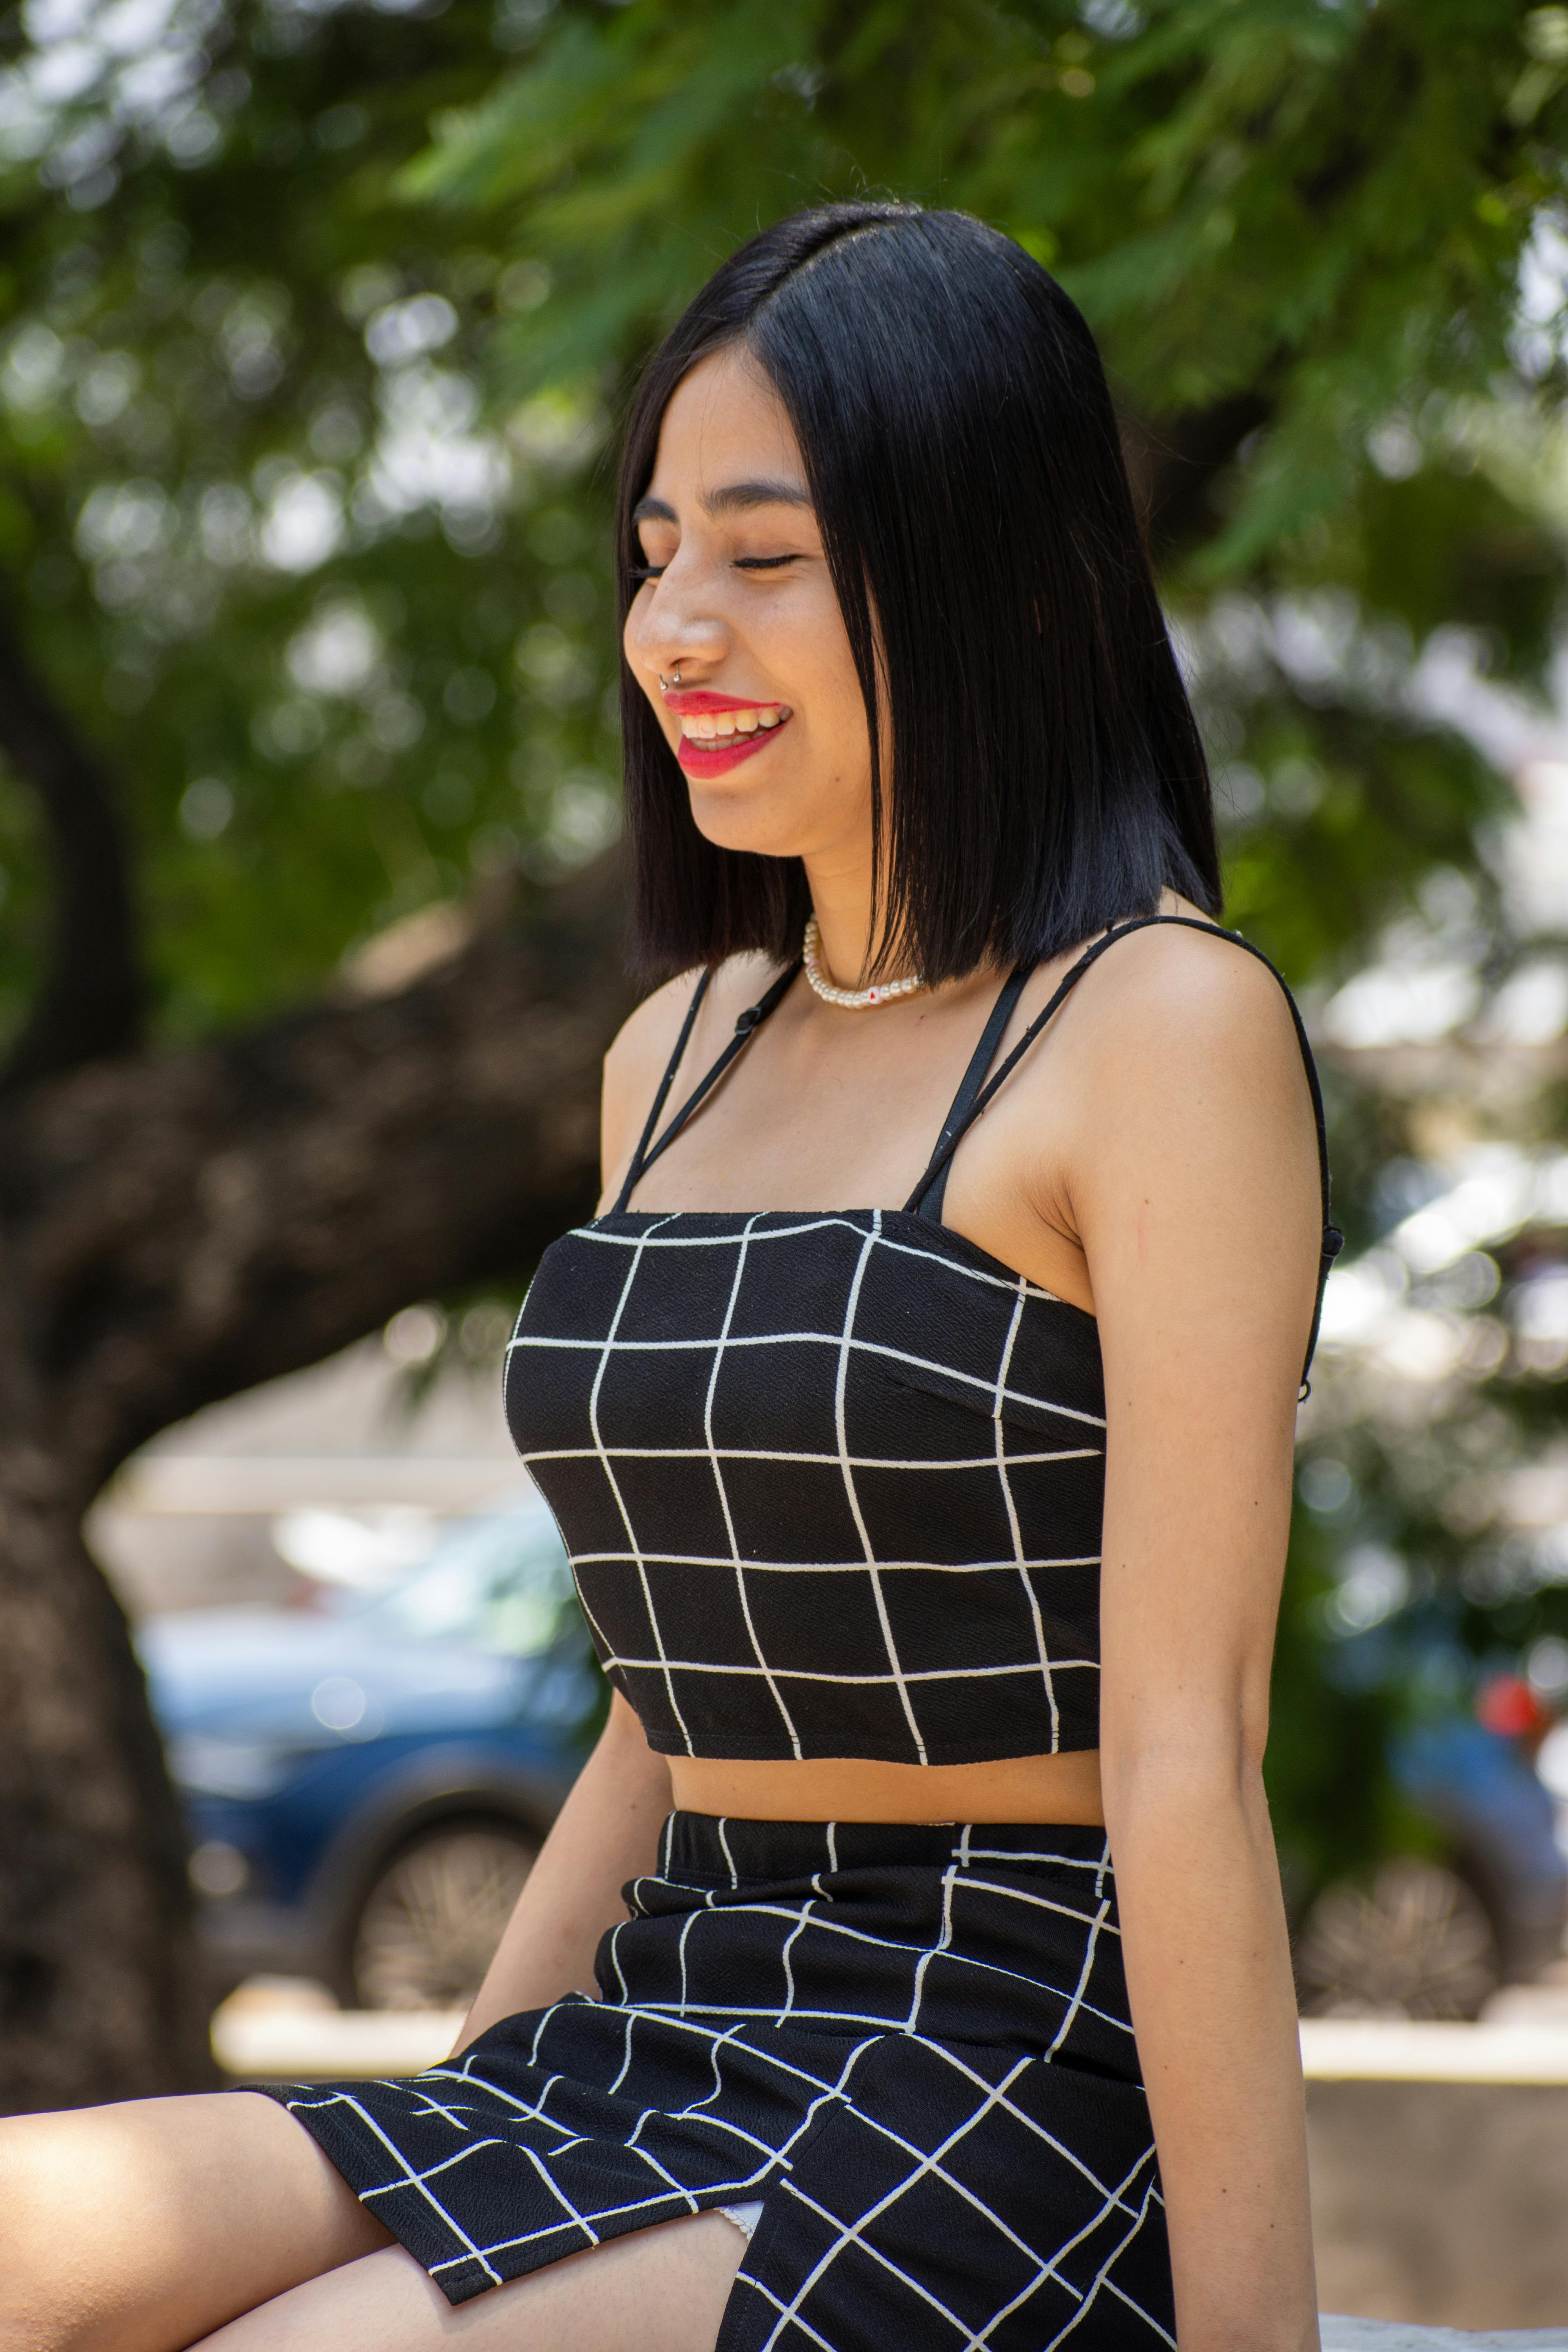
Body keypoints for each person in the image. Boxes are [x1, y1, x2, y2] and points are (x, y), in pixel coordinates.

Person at [0, 201, 1333, 2352]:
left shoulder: (1161, 1029)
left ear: (999, 574)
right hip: (671, 1999)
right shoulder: (678, 1049)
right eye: (653, 553)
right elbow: (663, 1712)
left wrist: (1253, 2336)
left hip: (998, 2052)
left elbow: (1190, 1746)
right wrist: (455, 2132)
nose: (675, 628)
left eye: (764, 555)